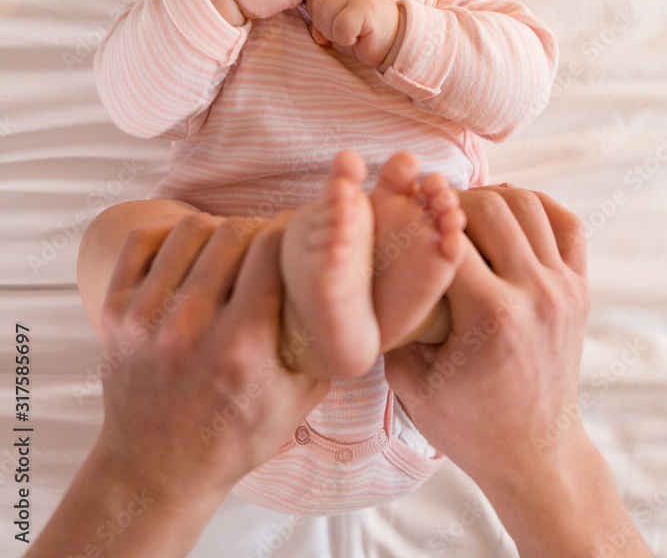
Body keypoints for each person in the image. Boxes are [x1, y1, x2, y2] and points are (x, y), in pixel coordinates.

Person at [87, 0, 559, 512]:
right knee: (119, 236)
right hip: (220, 367)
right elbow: (132, 101)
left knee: (479, 226)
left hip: (421, 378)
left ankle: (344, 299)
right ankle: (294, 303)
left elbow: (517, 90)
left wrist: (402, 33)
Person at [31, 176, 653, 557]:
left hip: (218, 371)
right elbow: (140, 91)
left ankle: (303, 307)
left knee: (125, 240)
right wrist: (545, 451)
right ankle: (381, 299)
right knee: (492, 229)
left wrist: (407, 37)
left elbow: (516, 80)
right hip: (433, 404)